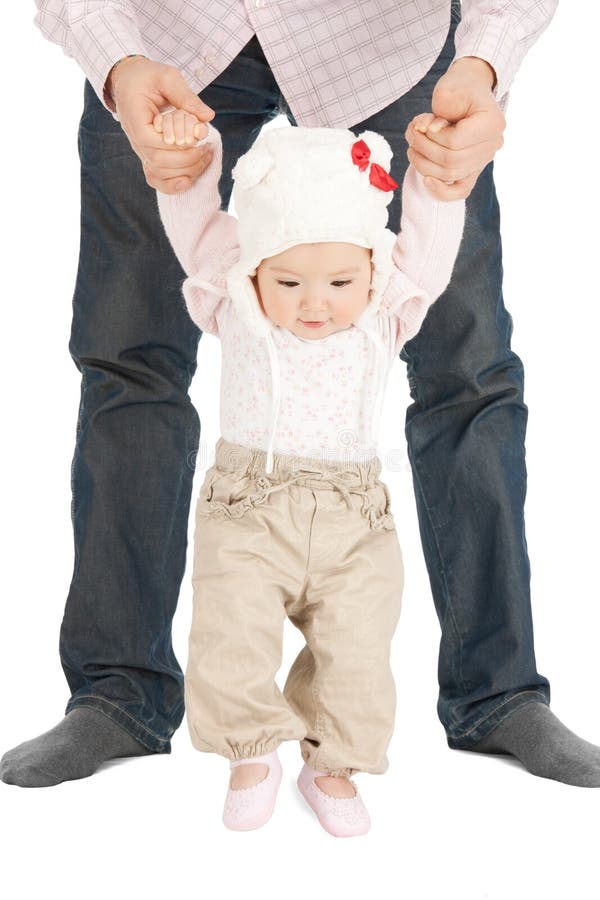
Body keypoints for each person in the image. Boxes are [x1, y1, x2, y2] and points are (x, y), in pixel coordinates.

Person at [5, 0, 600, 792]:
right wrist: (117, 62)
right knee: (128, 358)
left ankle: (498, 691)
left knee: (469, 367)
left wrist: (484, 64)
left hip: (387, 37)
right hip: (168, 37)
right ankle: (117, 692)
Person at [152, 109, 465, 834]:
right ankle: (253, 752)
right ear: (255, 270)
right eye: (289, 282)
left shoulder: (388, 310)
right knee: (230, 638)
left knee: (357, 655)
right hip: (246, 509)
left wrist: (441, 175)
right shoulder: (237, 303)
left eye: (338, 281)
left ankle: (333, 764)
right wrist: (187, 158)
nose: (314, 302)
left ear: (373, 272)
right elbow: (199, 226)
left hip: (355, 520)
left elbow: (430, 230)